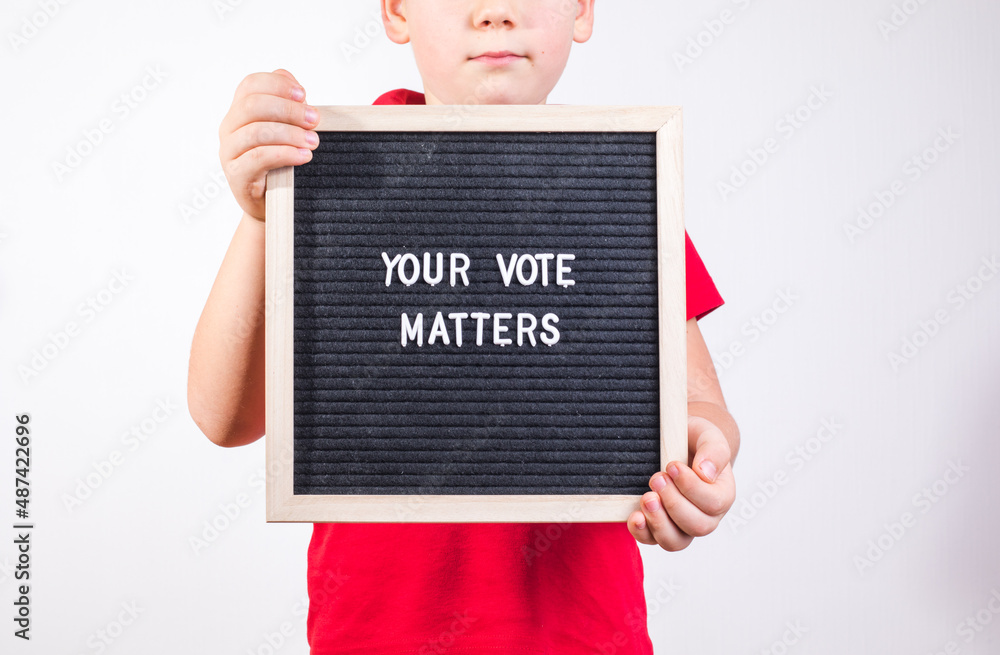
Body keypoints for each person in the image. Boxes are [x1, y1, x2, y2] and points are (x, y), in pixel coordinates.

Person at [187, 1, 740, 653]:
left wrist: (701, 456)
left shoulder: (617, 184)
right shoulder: (332, 178)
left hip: (579, 634)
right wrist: (261, 216)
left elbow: (700, 405)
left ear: (581, 11)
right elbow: (227, 417)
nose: (497, 11)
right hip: (376, 633)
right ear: (397, 12)